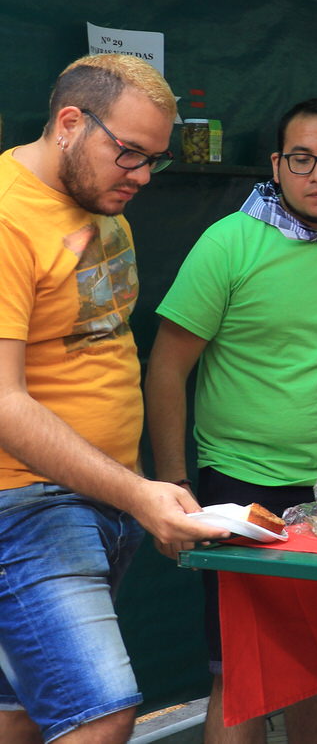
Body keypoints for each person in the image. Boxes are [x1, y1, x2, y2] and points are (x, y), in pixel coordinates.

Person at [145, 98, 317, 744]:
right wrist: (176, 485)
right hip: (240, 487)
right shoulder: (228, 242)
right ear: (278, 164)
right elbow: (167, 368)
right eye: (304, 159)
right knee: (242, 675)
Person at [0, 55, 228, 744]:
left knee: (20, 711)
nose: (140, 177)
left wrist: (144, 489)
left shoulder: (104, 203)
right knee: (100, 715)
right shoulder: (8, 216)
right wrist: (138, 492)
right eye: (128, 153)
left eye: (153, 160)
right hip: (30, 503)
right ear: (70, 122)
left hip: (100, 495)